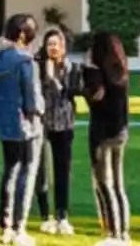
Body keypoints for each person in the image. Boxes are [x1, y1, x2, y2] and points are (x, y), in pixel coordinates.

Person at [0, 13, 44, 246]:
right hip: (26, 125)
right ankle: (20, 227)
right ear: (22, 34)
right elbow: (32, 98)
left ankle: (6, 226)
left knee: (9, 172)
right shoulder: (24, 61)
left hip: (3, 121)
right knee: (26, 174)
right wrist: (41, 111)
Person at [83, 32, 131, 246]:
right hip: (120, 132)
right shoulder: (120, 73)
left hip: (102, 133)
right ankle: (124, 232)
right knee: (118, 185)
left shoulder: (97, 74)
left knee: (105, 184)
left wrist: (87, 69)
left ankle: (114, 233)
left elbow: (94, 98)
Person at [34, 27, 82, 236]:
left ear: (63, 47)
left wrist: (53, 78)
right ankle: (45, 216)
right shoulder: (37, 67)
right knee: (40, 172)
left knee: (62, 172)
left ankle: (62, 215)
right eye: (49, 44)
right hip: (41, 124)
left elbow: (70, 92)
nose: (52, 47)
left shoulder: (72, 69)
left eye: (56, 44)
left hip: (64, 124)